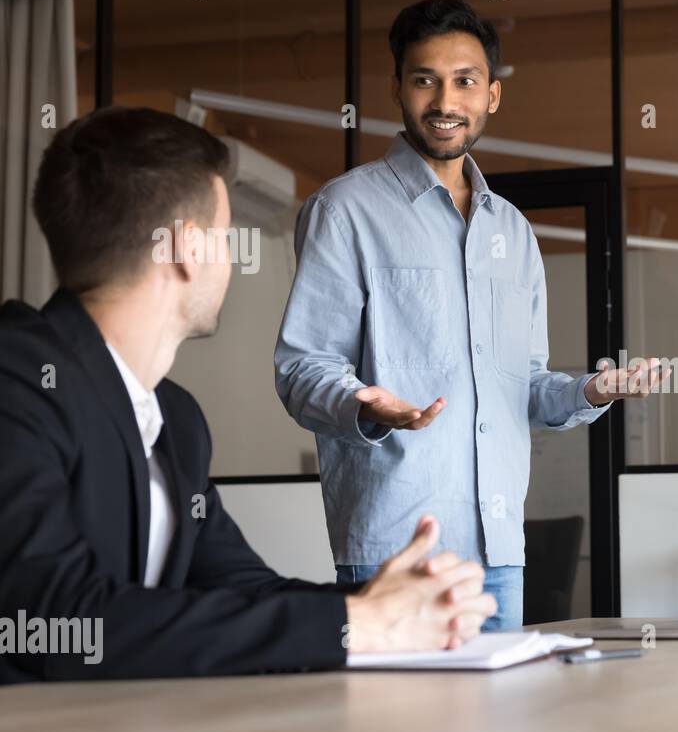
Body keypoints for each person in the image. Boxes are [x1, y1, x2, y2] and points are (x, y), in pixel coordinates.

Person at [0, 106, 494, 683]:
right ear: (187, 248)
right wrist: (359, 623)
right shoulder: (18, 380)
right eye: (225, 235)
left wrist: (391, 602)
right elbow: (56, 620)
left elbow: (240, 588)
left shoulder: (175, 420)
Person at [274, 0, 665, 630]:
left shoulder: (513, 231)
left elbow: (525, 389)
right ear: (397, 89)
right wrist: (366, 405)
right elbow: (301, 369)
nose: (445, 101)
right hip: (397, 549)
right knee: (395, 730)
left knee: (500, 730)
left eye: (465, 81)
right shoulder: (344, 211)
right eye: (424, 79)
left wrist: (591, 390)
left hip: (500, 550)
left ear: (492, 95)